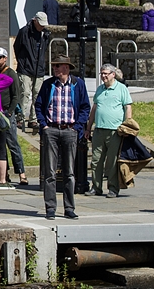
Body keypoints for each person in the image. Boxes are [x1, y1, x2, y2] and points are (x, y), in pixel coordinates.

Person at [34, 55, 91, 220]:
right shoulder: (48, 84)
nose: (55, 69)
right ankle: (50, 208)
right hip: (51, 130)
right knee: (50, 172)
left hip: (69, 130)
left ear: (66, 67)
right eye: (54, 66)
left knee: (69, 173)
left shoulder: (78, 84)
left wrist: (77, 127)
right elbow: (39, 105)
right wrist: (43, 125)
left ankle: (69, 208)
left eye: (58, 66)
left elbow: (85, 107)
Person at [85, 63, 133, 198]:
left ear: (113, 74)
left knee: (112, 162)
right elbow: (94, 109)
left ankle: (113, 188)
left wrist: (127, 126)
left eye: (106, 73)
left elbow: (127, 107)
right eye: (102, 74)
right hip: (99, 130)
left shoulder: (121, 89)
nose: (103, 76)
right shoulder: (99, 89)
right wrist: (89, 127)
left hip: (115, 131)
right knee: (96, 160)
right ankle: (96, 187)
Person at [0, 47, 28, 186]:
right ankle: (4, 173)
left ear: (5, 58)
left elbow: (16, 96)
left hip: (7, 112)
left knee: (13, 143)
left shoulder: (11, 73)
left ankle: (21, 173)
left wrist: (10, 112)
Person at [13, 11, 51, 126]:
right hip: (25, 68)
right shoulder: (24, 31)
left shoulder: (46, 34)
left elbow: (44, 49)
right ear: (35, 21)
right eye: (41, 24)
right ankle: (20, 118)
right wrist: (22, 61)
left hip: (38, 69)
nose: (42, 26)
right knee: (24, 93)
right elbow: (16, 47)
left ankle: (33, 119)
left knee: (37, 95)